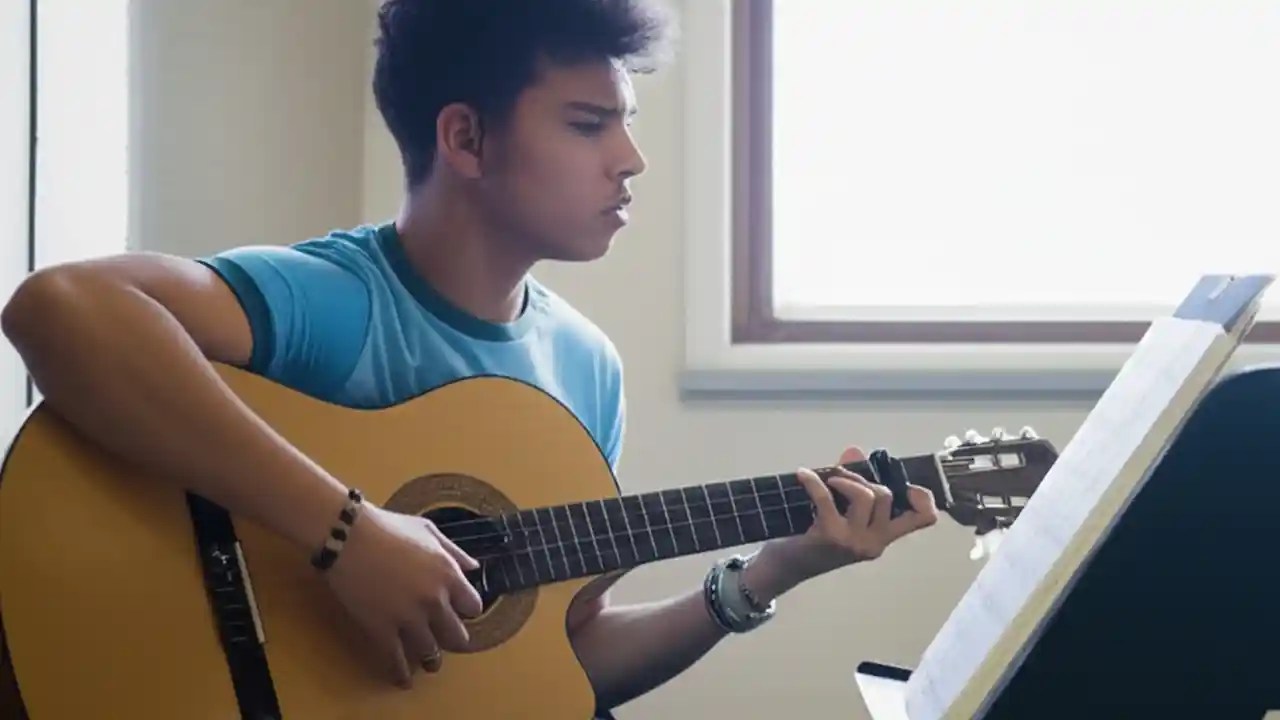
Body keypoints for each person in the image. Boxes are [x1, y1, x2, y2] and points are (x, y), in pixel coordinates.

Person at [1, 0, 938, 716]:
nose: (631, 159)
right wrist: (346, 533)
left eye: (626, 120)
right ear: (464, 138)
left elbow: (563, 655)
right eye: (586, 123)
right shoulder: (341, 299)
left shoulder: (584, 367)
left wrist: (767, 574)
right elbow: (60, 307)